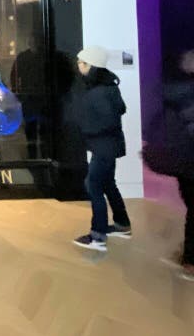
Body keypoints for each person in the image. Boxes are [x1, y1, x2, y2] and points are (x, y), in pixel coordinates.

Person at [71, 45, 132, 252]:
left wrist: (84, 129)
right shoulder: (108, 86)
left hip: (103, 147)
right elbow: (119, 111)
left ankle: (97, 236)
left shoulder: (98, 92)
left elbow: (107, 121)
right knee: (107, 183)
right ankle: (122, 224)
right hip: (109, 145)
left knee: (93, 185)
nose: (78, 65)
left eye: (82, 63)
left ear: (92, 66)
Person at [142, 50, 194, 280]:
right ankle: (190, 260)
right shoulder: (187, 95)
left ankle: (189, 258)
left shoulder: (174, 93)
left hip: (183, 162)